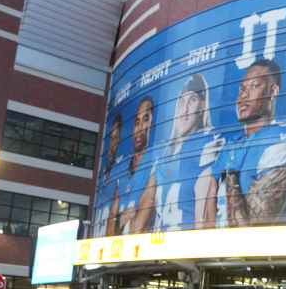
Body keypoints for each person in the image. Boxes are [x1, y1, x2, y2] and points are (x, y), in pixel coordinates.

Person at [207, 60, 286, 227]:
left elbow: (249, 230)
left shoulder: (282, 139)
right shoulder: (230, 144)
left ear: (273, 92)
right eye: (242, 89)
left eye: (254, 86)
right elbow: (208, 217)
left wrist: (230, 174)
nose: (244, 95)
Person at [155, 73, 225, 231]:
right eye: (181, 101)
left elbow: (205, 199)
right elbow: (158, 218)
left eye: (192, 100)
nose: (185, 109)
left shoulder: (207, 140)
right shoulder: (166, 153)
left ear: (202, 105)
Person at [110, 96, 157, 234]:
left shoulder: (154, 164)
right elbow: (108, 231)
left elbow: (137, 228)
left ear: (151, 125)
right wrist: (120, 219)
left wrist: (117, 221)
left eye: (145, 120)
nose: (140, 127)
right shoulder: (123, 170)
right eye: (137, 122)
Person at [93, 112, 124, 237]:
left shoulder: (120, 172)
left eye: (116, 139)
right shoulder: (101, 178)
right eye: (111, 139)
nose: (112, 144)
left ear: (119, 142)